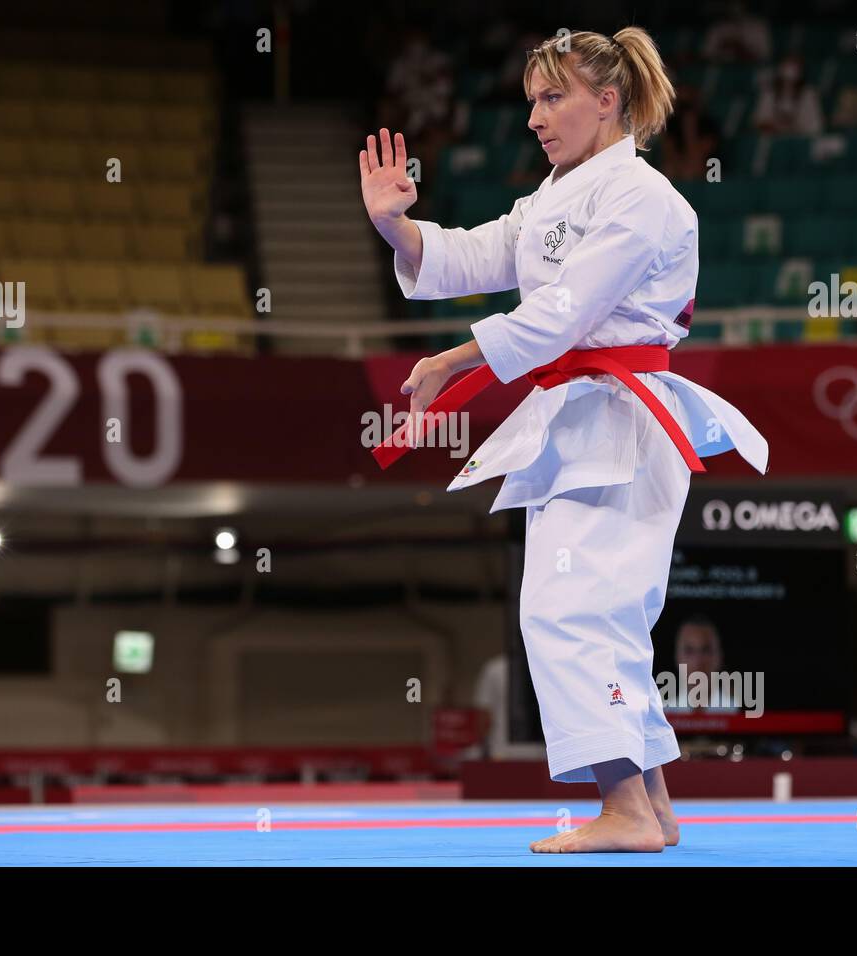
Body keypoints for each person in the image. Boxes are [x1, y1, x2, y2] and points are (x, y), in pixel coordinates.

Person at [358, 27, 768, 853]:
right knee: (604, 614)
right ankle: (649, 805)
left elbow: (565, 313)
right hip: (579, 418)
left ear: (606, 101)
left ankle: (623, 806)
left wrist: (452, 356)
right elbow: (473, 255)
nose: (537, 118)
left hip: (623, 414)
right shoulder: (553, 195)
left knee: (568, 608)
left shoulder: (643, 197)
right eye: (531, 103)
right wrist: (397, 227)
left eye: (553, 98)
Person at [753, 54, 823, 136]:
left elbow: (815, 128)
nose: (790, 70)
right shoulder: (769, 92)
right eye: (787, 64)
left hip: (798, 140)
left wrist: (791, 127)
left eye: (795, 65)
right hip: (773, 139)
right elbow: (760, 121)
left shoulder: (808, 94)